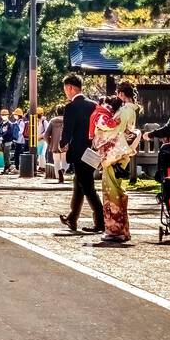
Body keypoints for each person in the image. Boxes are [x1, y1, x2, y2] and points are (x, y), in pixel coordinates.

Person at [58, 74, 104, 233]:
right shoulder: (94, 105)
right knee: (79, 184)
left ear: (70, 88)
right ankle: (72, 218)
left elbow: (67, 129)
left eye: (65, 89)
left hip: (78, 151)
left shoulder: (71, 107)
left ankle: (101, 221)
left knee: (87, 187)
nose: (66, 92)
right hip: (92, 151)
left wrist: (63, 144)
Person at [96, 82, 141, 243]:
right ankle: (123, 229)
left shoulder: (124, 110)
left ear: (121, 94)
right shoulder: (131, 110)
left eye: (118, 94)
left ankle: (115, 230)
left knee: (111, 190)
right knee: (118, 189)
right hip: (122, 154)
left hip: (115, 153)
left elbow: (115, 130)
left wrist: (99, 127)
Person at [45, 106, 66, 182]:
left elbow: (46, 135)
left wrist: (50, 143)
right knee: (65, 161)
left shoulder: (52, 121)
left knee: (56, 161)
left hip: (54, 145)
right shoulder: (67, 120)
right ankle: (63, 171)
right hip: (65, 145)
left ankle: (58, 178)